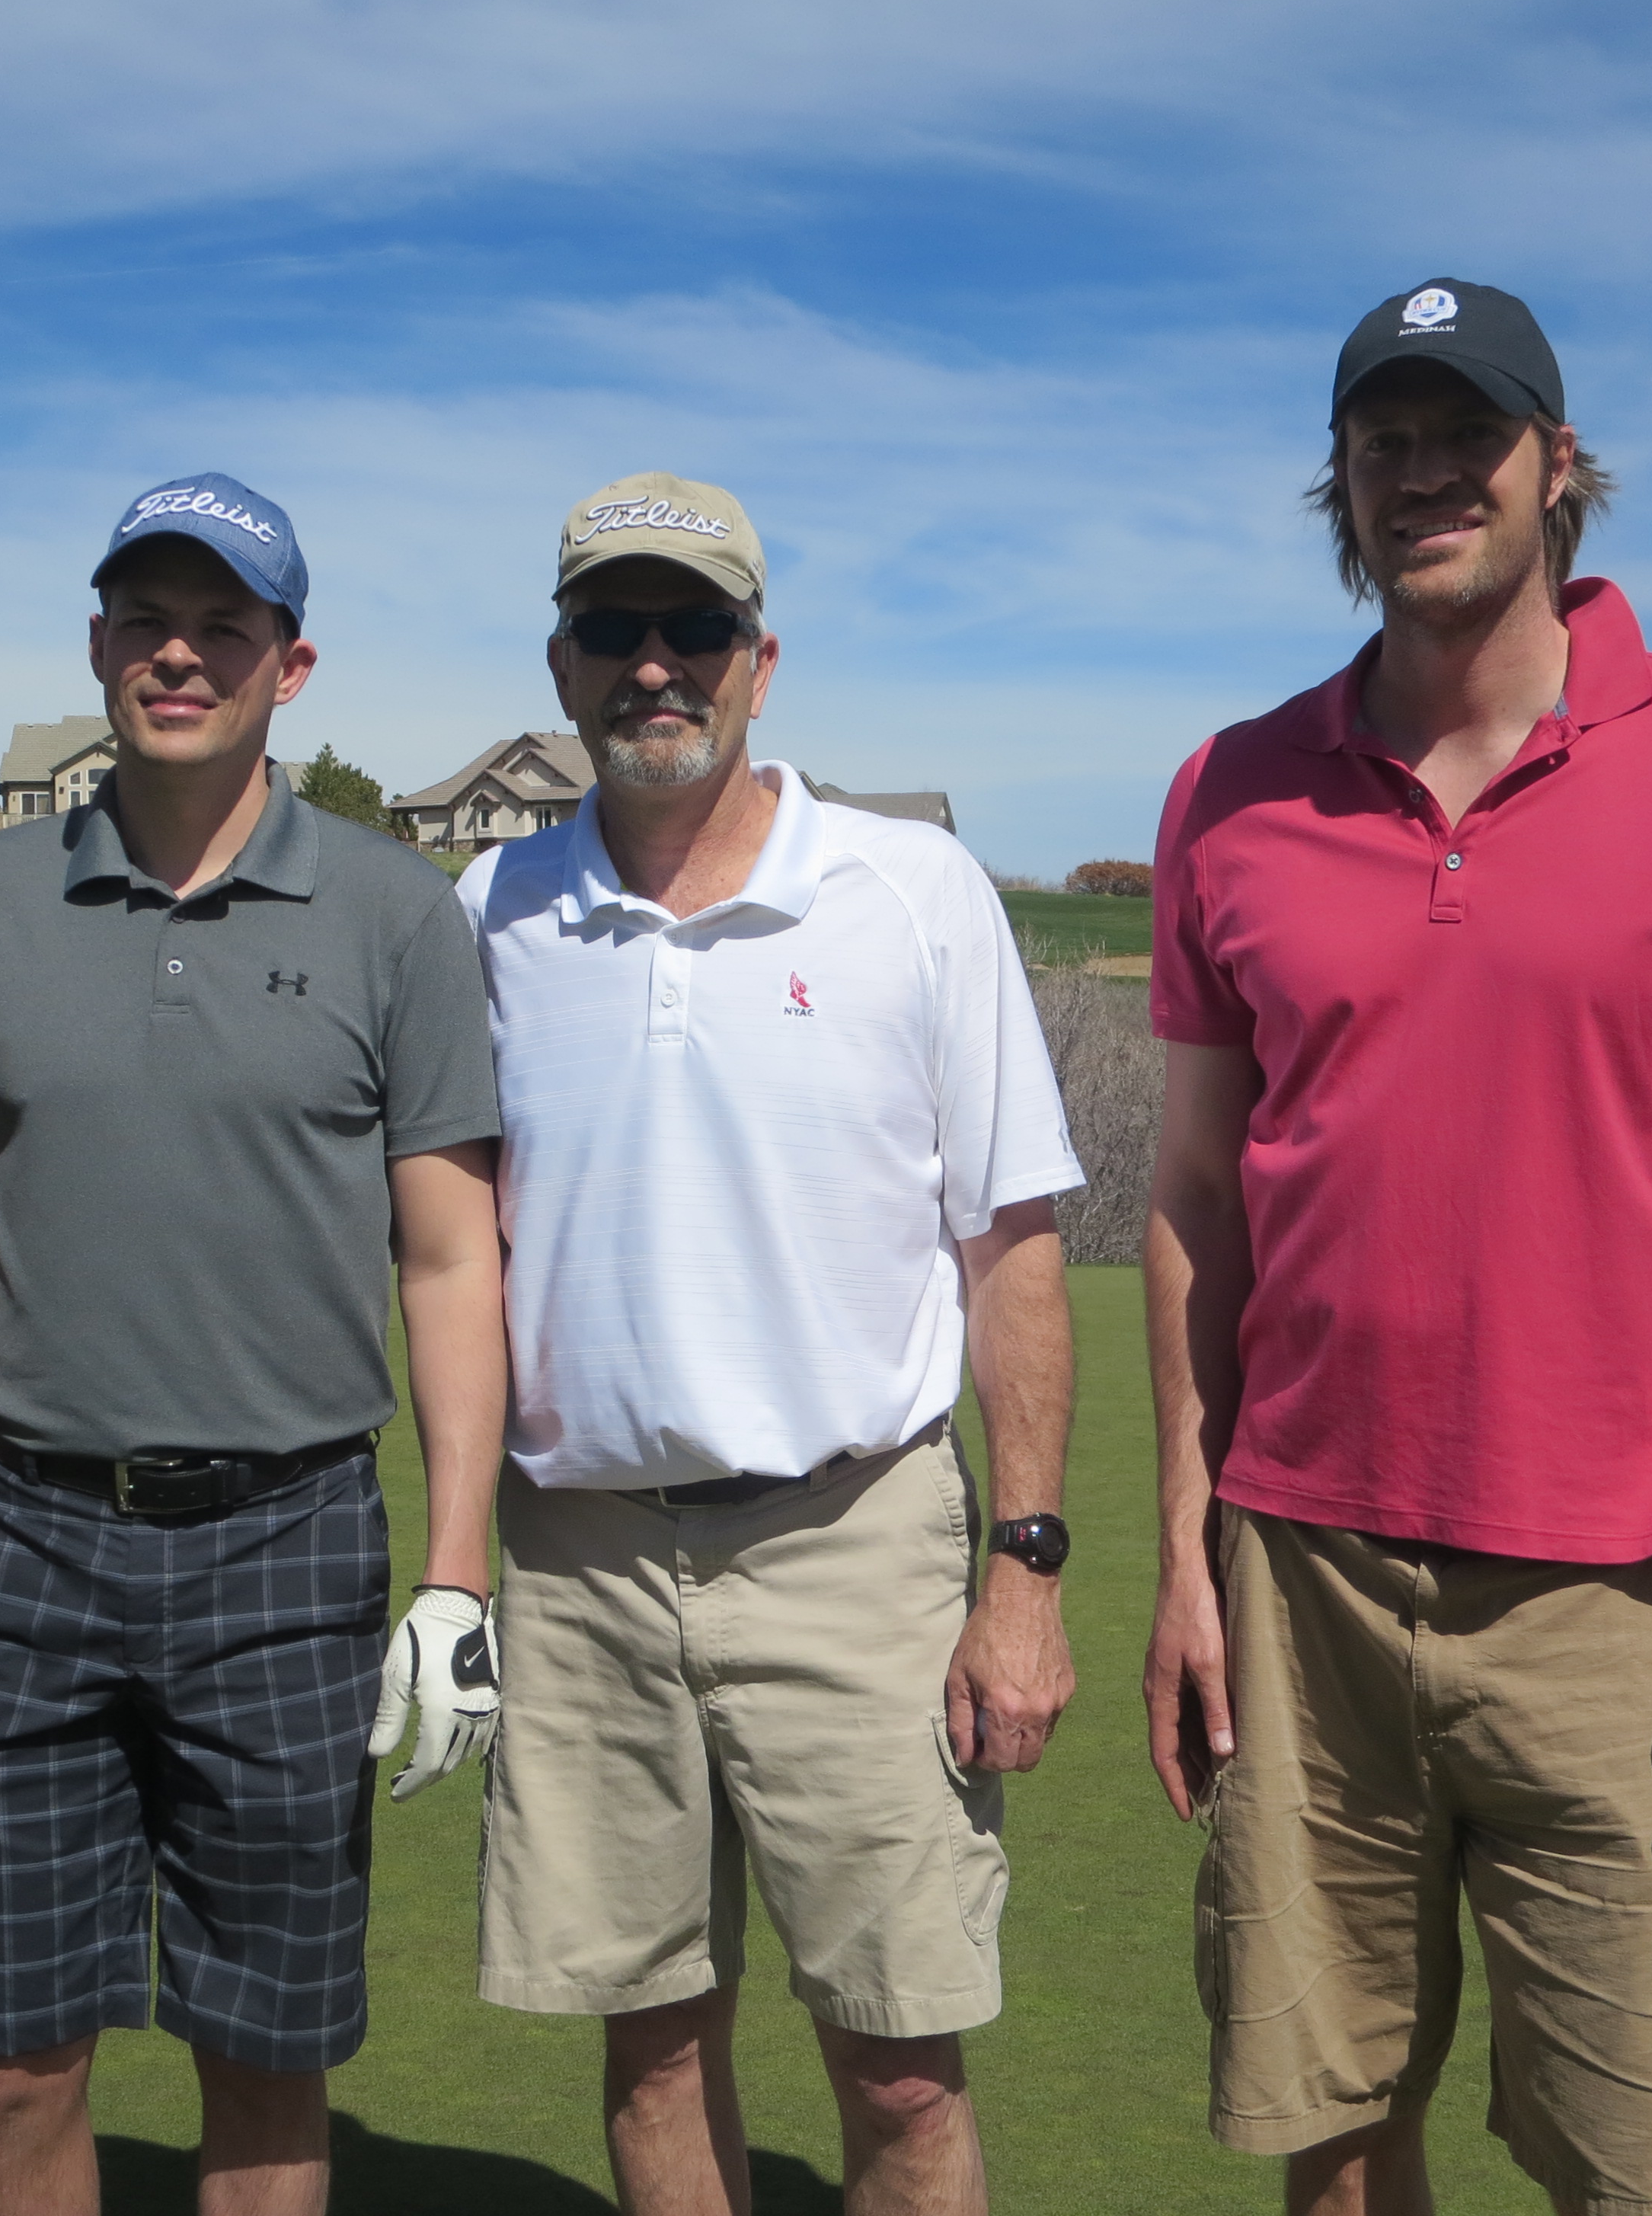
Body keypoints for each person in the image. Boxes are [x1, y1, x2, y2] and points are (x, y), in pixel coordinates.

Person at [1140, 280, 1652, 2215]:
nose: (1422, 475)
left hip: (1614, 1606)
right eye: (1380, 441)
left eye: (1464, 435)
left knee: (1641, 2173)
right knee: (1328, 2141)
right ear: (1337, 481)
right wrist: (1183, 1555)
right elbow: (1197, 1199)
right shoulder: (1228, 790)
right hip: (1299, 1578)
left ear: (1555, 465)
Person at [0, 473, 510, 2216]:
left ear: (291, 663)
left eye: (221, 626)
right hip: (12, 1544)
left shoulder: (394, 911)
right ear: (96, 643)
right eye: (144, 620)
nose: (177, 654)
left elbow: (446, 1261)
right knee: (7, 2066)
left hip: (288, 1547)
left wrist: (455, 1572)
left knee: (264, 2060)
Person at [459, 474, 1085, 2216]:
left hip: (853, 1542)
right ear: (561, 664)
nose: (653, 663)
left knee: (898, 2068)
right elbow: (446, 1253)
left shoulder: (913, 890)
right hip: (581, 1561)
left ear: (761, 657)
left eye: (695, 627)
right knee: (652, 2052)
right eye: (612, 627)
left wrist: (1024, 1568)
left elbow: (1011, 1257)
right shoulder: (487, 911)